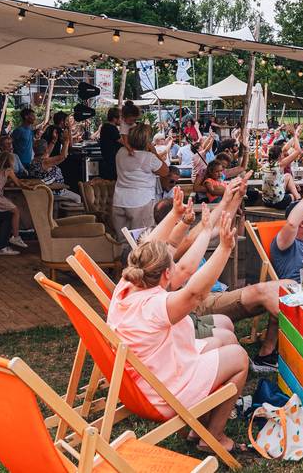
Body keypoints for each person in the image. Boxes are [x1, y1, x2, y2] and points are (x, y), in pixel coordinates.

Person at [107, 207, 248, 455]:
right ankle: (213, 436)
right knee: (238, 357)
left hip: (145, 378)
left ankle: (200, 426)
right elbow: (195, 292)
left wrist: (178, 217)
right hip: (161, 392)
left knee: (221, 341)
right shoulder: (156, 306)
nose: (177, 267)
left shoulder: (126, 285)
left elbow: (151, 247)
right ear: (164, 274)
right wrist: (224, 249)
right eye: (172, 264)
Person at [143, 190, 290, 371]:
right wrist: (226, 200)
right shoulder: (165, 252)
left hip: (212, 294)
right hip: (202, 300)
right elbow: (188, 254)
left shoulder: (166, 247)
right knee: (266, 291)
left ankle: (274, 351)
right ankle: (290, 348)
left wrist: (234, 199)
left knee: (284, 286)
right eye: (182, 218)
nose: (189, 219)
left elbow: (218, 227)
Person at [112, 123, 169, 235]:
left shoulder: (121, 152)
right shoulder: (149, 158)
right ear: (146, 141)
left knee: (123, 241)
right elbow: (165, 171)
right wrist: (153, 151)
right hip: (141, 201)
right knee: (141, 240)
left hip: (120, 201)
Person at [0, 146, 31, 250]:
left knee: (9, 210)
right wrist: (30, 187)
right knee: (16, 211)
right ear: (10, 161)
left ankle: (0, 238)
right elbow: (19, 183)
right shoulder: (8, 170)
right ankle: (16, 236)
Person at [260, 142, 301, 209]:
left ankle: (298, 198)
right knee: (292, 196)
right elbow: (298, 151)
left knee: (287, 176)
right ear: (279, 156)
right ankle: (298, 199)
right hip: (278, 202)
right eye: (282, 154)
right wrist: (294, 135)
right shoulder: (280, 165)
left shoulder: (264, 166)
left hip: (266, 201)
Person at [97, 106, 122, 181]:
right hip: (112, 162)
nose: (121, 120)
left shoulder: (106, 126)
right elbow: (123, 142)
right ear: (114, 118)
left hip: (108, 160)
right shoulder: (111, 128)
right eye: (120, 118)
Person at [10, 108, 37, 172]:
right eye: (32, 115)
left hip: (29, 161)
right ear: (26, 117)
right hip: (19, 162)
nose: (34, 118)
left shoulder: (30, 129)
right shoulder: (18, 130)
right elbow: (10, 143)